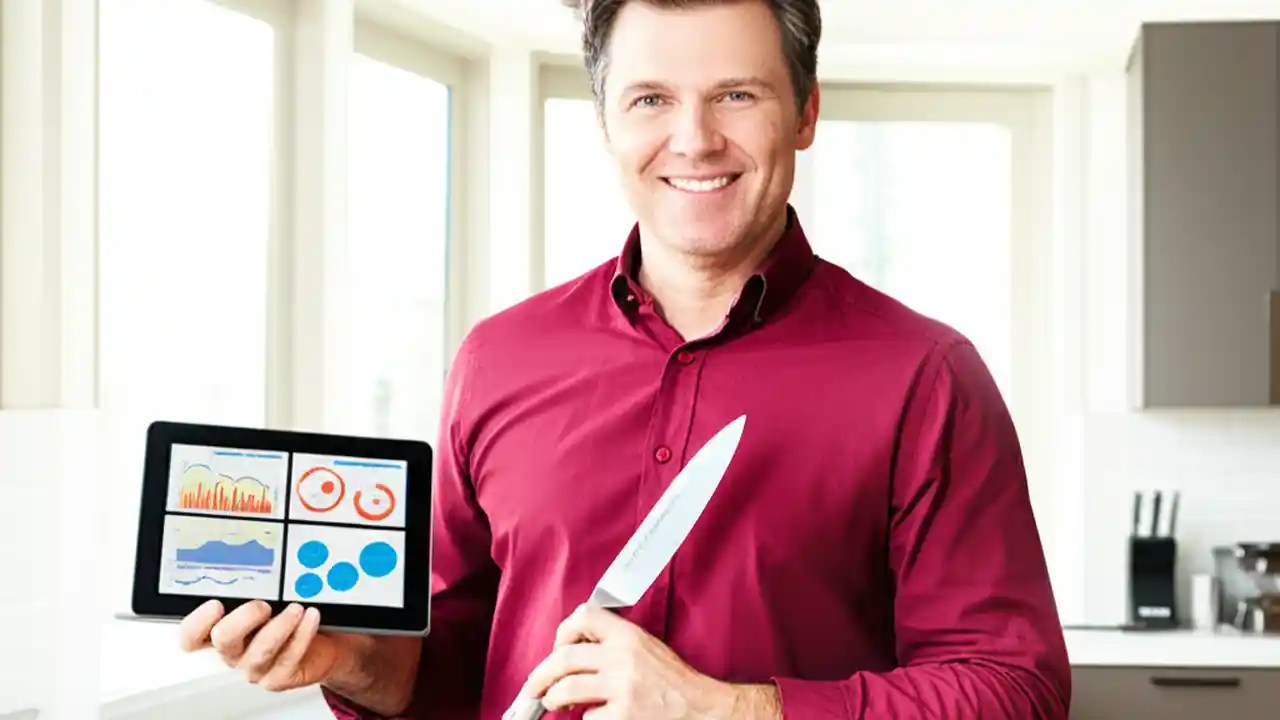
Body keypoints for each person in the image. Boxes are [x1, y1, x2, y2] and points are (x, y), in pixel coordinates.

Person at [177, 0, 1073, 717]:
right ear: (605, 121)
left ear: (804, 112)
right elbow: (455, 666)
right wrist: (352, 662)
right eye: (650, 99)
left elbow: (1014, 692)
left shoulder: (925, 378)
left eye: (736, 94)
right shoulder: (498, 360)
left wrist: (729, 711)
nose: (693, 140)